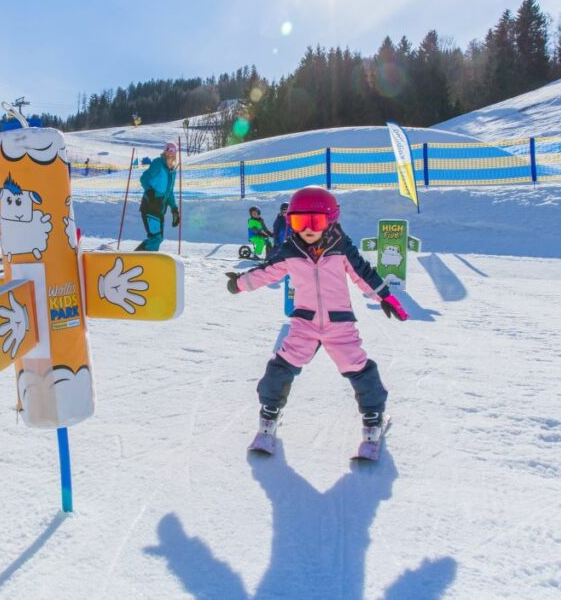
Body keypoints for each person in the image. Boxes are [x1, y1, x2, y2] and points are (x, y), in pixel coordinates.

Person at [225, 186, 409, 457]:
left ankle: (373, 423)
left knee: (357, 367)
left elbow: (363, 272)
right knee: (280, 367)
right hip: (305, 323)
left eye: (316, 221)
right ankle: (268, 421)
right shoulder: (291, 250)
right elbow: (267, 271)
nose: (308, 229)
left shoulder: (341, 248)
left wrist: (384, 296)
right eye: (300, 222)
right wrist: (240, 283)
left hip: (339, 323)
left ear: (331, 220)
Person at [135, 142, 180, 251]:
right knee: (156, 238)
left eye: (173, 151)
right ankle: (139, 260)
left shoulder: (172, 171)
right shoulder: (158, 164)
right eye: (168, 150)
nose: (171, 153)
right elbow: (144, 178)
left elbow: (169, 192)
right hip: (151, 204)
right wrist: (149, 190)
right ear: (164, 151)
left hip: (160, 209)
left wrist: (174, 209)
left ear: (176, 155)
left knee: (157, 238)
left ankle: (143, 260)